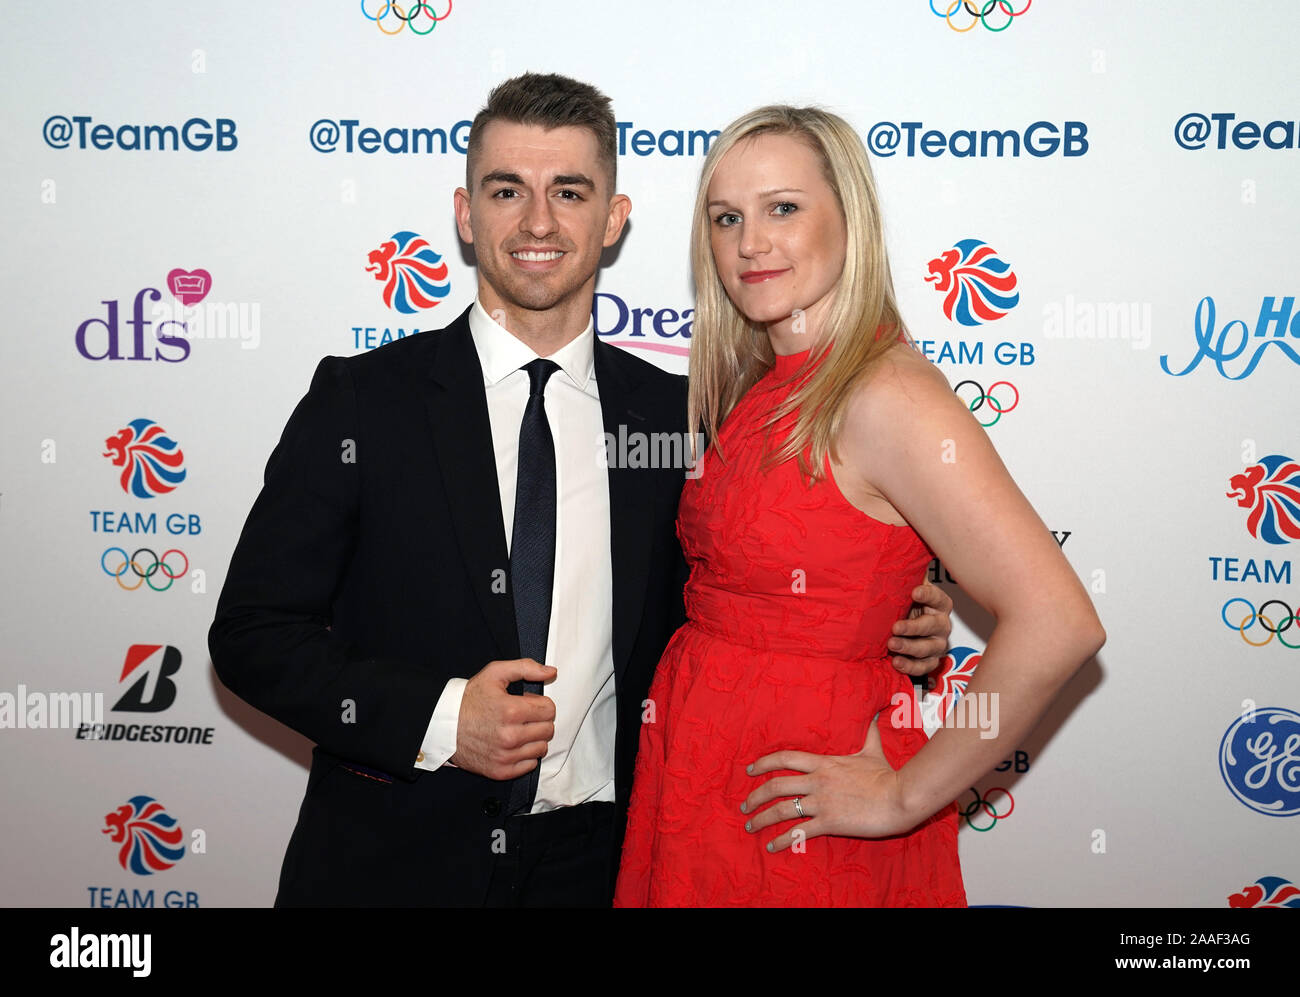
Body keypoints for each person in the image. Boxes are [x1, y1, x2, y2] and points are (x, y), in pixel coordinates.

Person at [208, 75, 953, 907]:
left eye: (569, 192)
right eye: (506, 191)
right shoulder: (364, 401)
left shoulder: (687, 419)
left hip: (607, 864)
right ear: (465, 213)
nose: (537, 222)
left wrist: (894, 614)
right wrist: (443, 718)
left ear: (613, 220)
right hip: (390, 862)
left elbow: (747, 590)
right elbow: (250, 634)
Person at [614, 106, 1106, 907]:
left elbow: (1058, 619)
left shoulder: (886, 392)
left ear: (851, 218)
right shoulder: (759, 386)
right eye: (726, 217)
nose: (749, 242)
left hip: (806, 801)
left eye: (783, 208)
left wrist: (904, 794)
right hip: (711, 776)